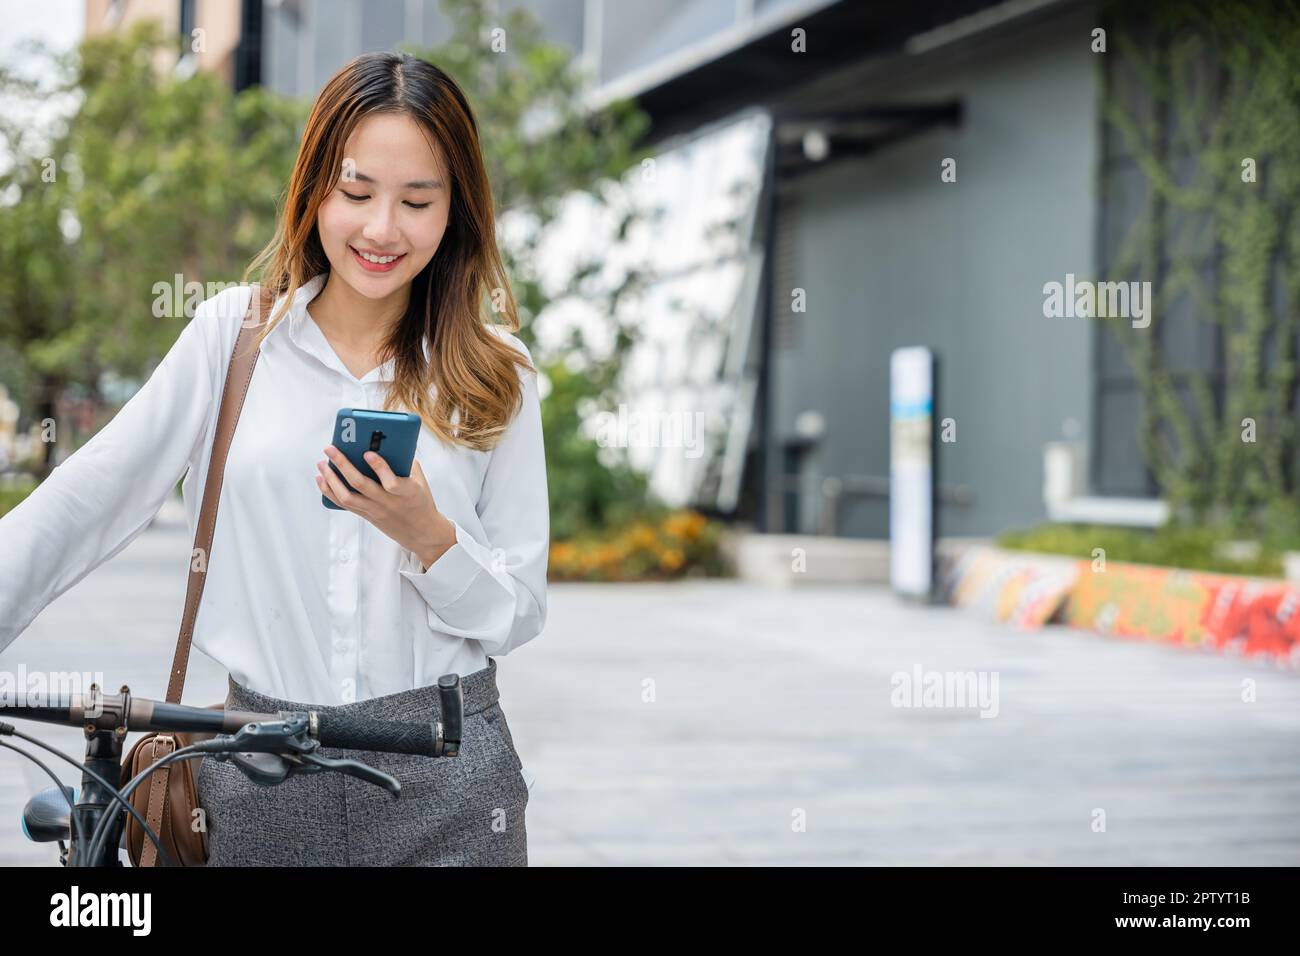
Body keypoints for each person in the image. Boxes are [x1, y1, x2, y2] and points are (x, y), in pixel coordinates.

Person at [0, 51, 549, 866]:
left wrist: (429, 537)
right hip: (253, 775)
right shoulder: (234, 338)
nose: (381, 229)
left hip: (447, 779)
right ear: (314, 187)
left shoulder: (495, 371)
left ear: (456, 210)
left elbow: (518, 611)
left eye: (418, 201)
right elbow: (87, 498)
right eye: (357, 193)